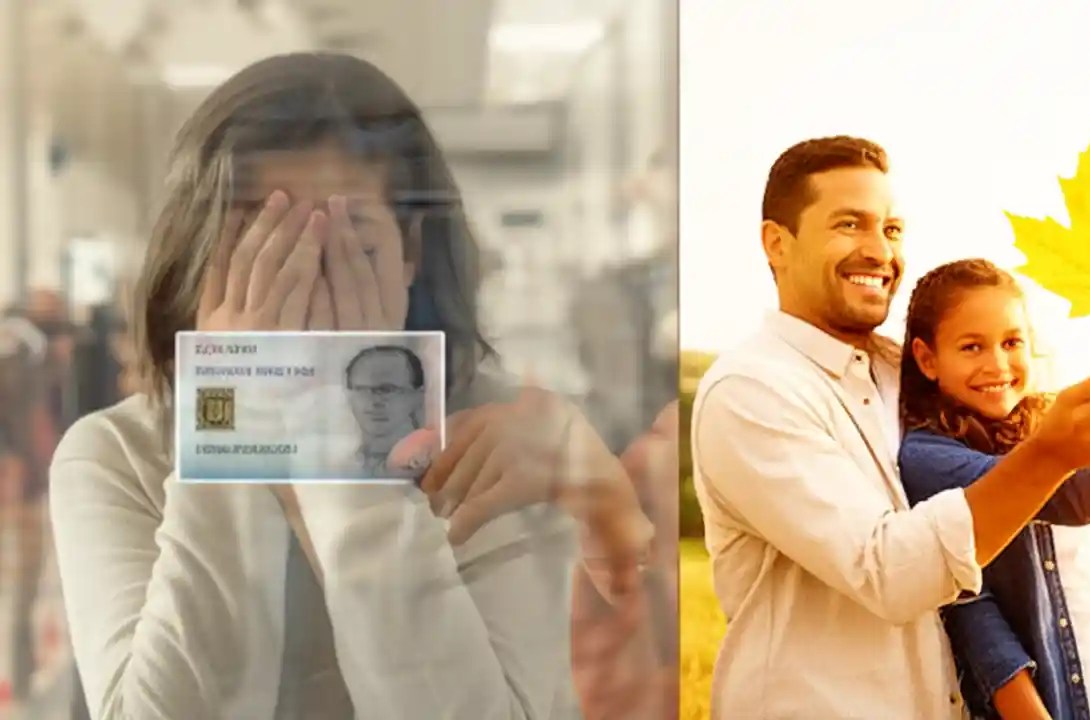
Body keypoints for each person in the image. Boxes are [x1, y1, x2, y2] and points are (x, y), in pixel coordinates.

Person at [48, 51, 663, 720]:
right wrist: (232, 415)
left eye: (350, 250)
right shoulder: (115, 455)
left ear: (409, 253)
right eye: (263, 252)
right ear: (198, 259)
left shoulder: (504, 441)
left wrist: (355, 447)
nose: (305, 293)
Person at [690, 135, 1090, 719]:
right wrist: (1052, 454)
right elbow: (885, 569)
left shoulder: (910, 373)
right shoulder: (751, 392)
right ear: (776, 244)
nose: (878, 251)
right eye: (849, 225)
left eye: (891, 230)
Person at [897, 259, 1090, 720]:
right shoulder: (928, 460)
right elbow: (1071, 496)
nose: (997, 364)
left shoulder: (1051, 426)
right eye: (972, 346)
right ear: (927, 359)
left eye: (1012, 342)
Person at [343, 344, 428, 476]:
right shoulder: (337, 466)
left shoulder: (431, 464)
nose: (374, 401)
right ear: (349, 396)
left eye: (387, 390)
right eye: (362, 390)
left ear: (418, 396)